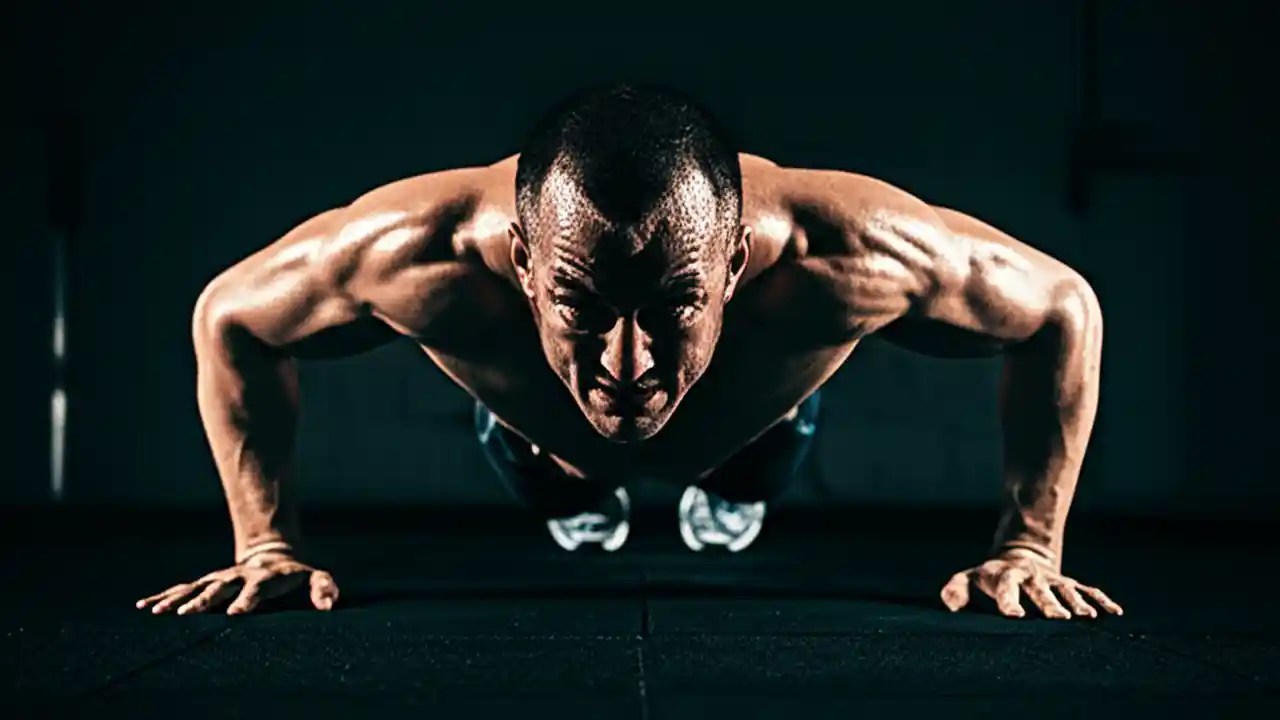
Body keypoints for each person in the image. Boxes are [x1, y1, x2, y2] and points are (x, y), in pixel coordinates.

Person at [135, 82, 1123, 621]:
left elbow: (1060, 310)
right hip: (536, 435)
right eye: (578, 305)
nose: (621, 362)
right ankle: (573, 478)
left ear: (733, 265)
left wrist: (1026, 547)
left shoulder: (855, 253)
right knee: (567, 463)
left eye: (671, 307)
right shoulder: (412, 254)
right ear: (523, 264)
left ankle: (735, 473)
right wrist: (264, 541)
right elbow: (230, 316)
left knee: (750, 446)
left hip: (747, 426)